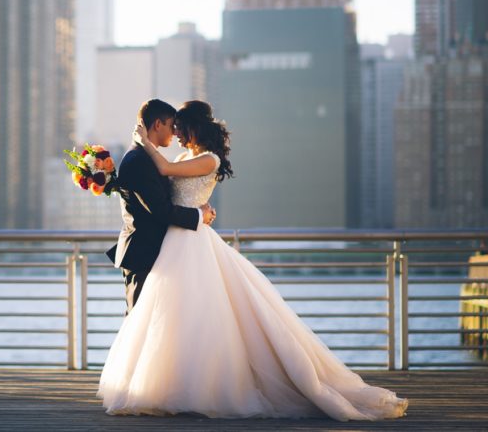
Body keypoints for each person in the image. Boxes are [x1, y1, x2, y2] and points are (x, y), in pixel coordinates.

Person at [98, 100, 408, 421]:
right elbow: (162, 192)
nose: (175, 132)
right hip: (173, 239)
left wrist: (143, 142)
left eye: (179, 127)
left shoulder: (209, 160)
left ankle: (202, 386)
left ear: (192, 127)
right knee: (172, 315)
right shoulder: (179, 156)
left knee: (201, 315)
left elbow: (163, 171)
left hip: (191, 241)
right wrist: (196, 210)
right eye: (171, 126)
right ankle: (169, 382)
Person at [105, 99, 215, 314]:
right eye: (172, 126)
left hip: (157, 253)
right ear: (158, 125)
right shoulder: (139, 159)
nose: (175, 133)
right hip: (143, 255)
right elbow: (161, 210)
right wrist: (199, 215)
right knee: (139, 321)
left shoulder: (145, 156)